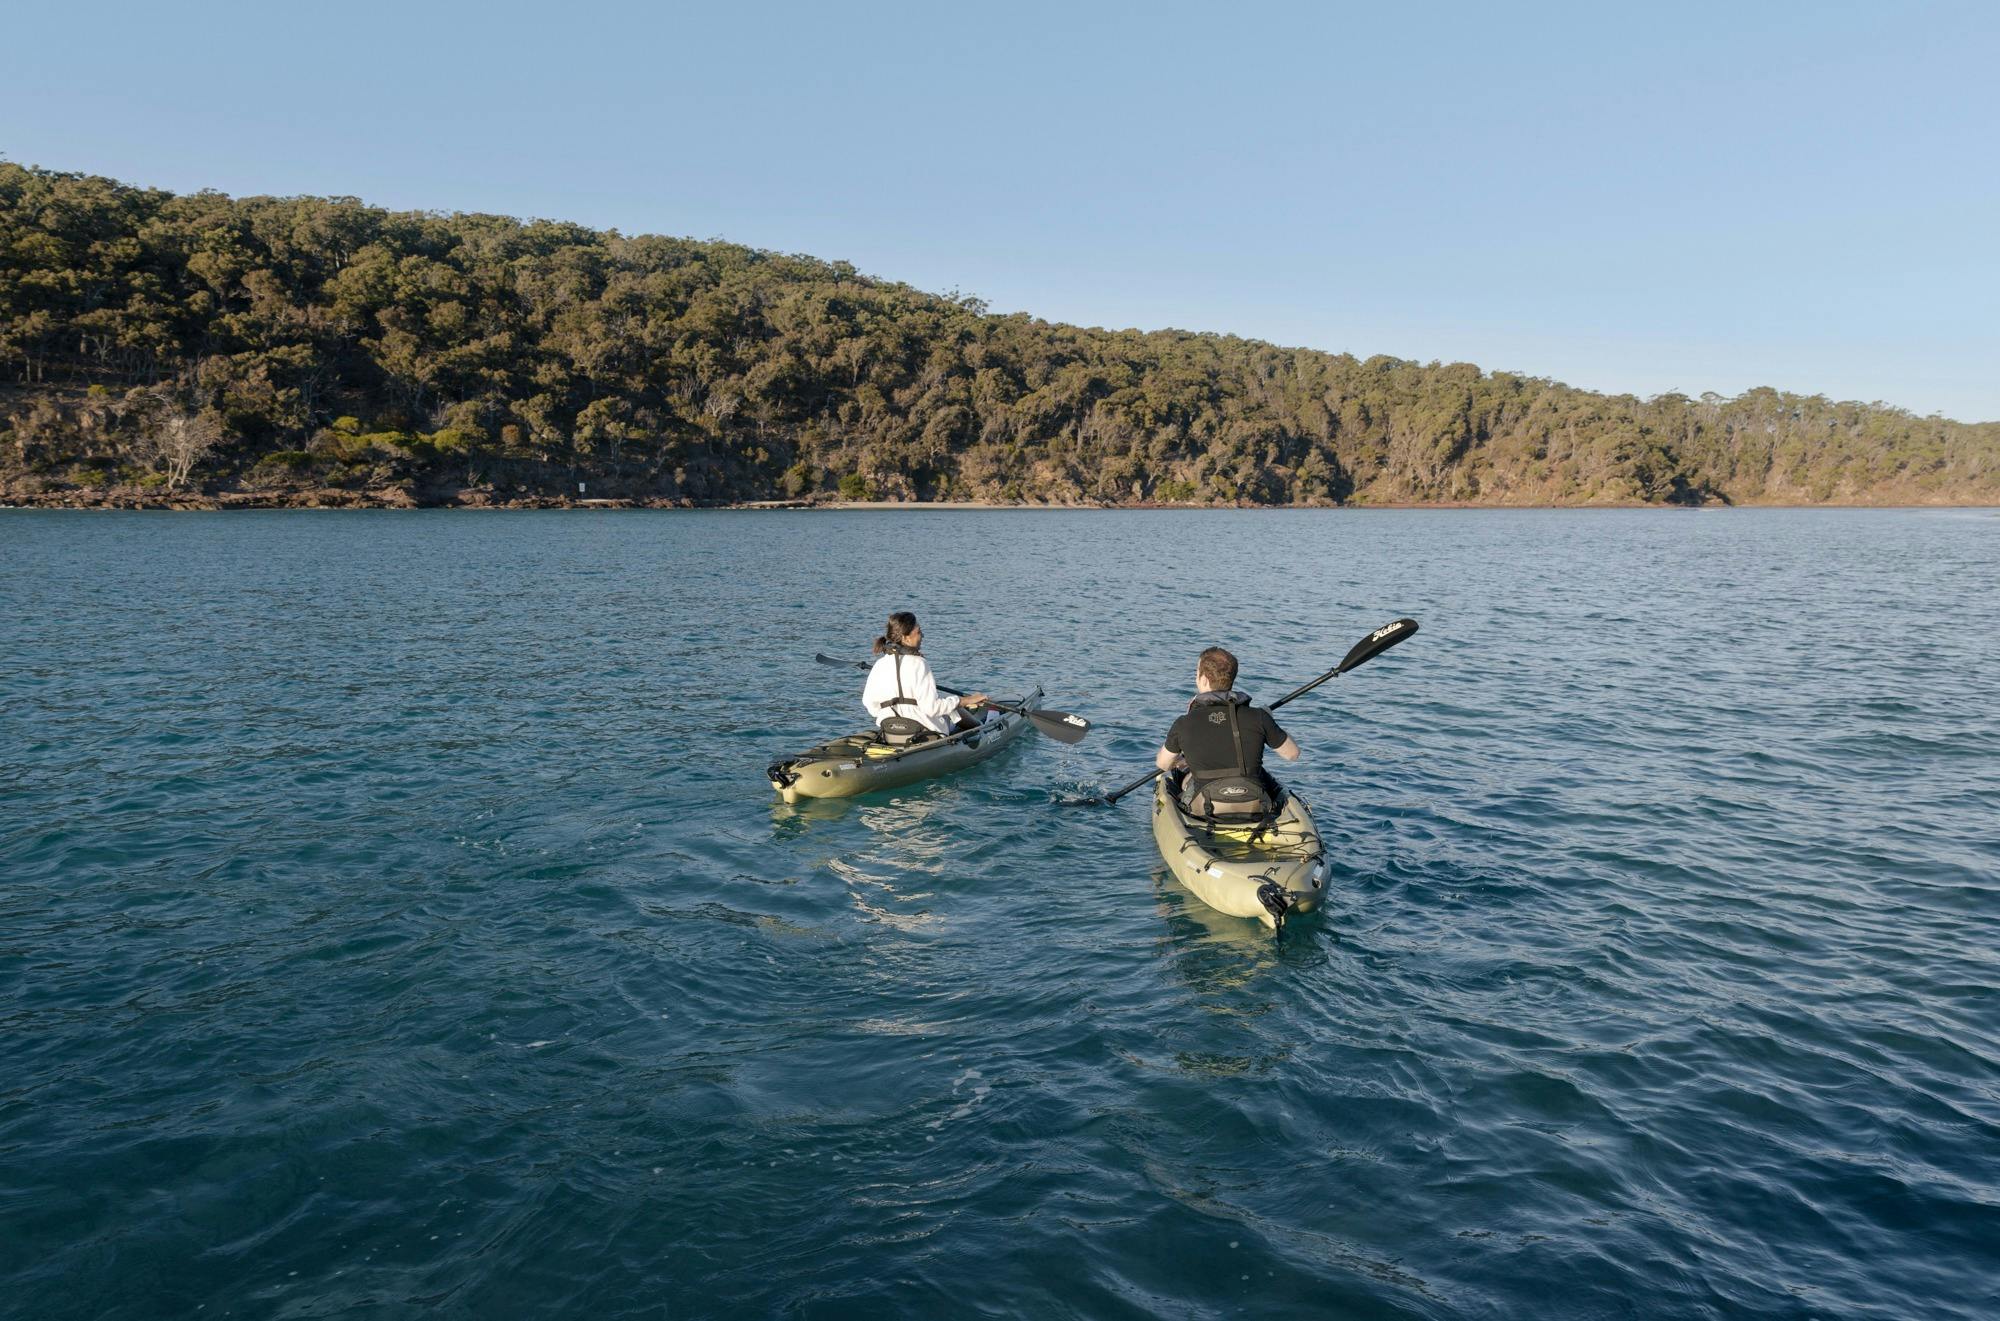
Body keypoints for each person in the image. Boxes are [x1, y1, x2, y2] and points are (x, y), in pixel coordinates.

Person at [1154, 645, 1299, 817]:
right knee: (1262, 774)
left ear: (1204, 679)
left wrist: (1181, 761)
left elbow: (1162, 764)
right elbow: (1292, 754)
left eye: (1196, 673)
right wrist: (1268, 721)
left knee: (1180, 775)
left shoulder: (1184, 722)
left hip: (1206, 806)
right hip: (1254, 804)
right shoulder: (1259, 717)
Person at [862, 612, 989, 739]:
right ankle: (981, 729)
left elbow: (869, 704)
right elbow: (931, 708)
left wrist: (893, 714)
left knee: (949, 703)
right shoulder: (919, 663)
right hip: (924, 733)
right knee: (953, 706)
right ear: (905, 638)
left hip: (890, 731)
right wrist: (966, 700)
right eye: (918, 632)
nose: (922, 635)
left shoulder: (879, 664)